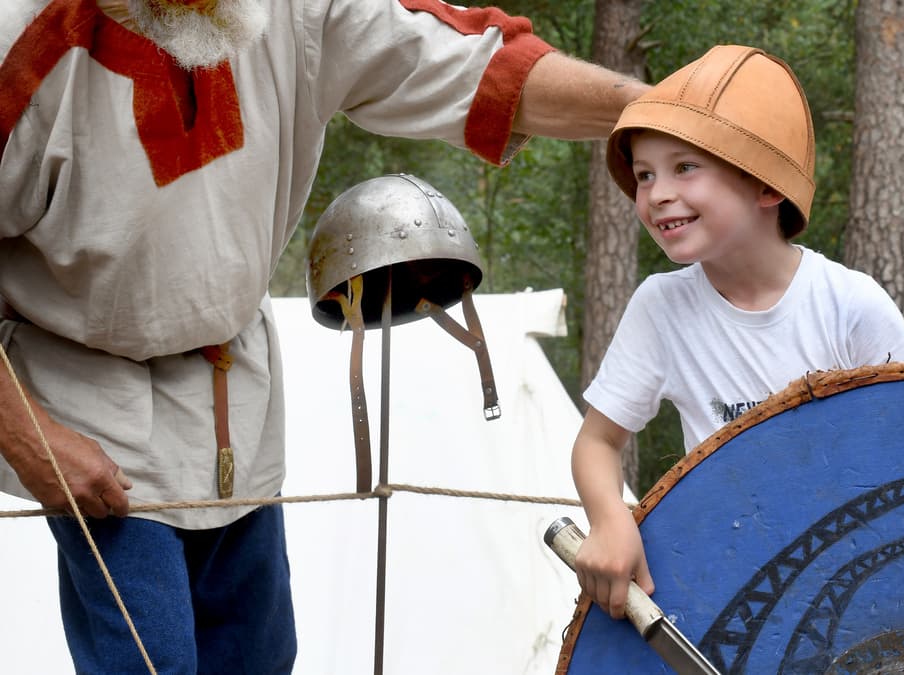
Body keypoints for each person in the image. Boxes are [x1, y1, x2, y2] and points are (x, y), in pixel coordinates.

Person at [0, 0, 649, 671]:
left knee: (260, 658)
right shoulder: (22, 32)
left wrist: (663, 113)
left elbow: (481, 68)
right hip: (89, 404)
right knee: (150, 659)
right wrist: (27, 435)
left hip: (237, 396)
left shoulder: (294, 9)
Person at [570, 45, 904, 620]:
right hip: (731, 584)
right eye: (644, 174)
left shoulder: (847, 304)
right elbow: (597, 442)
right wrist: (610, 518)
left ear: (767, 186)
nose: (657, 192)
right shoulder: (661, 307)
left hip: (858, 583)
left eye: (685, 167)